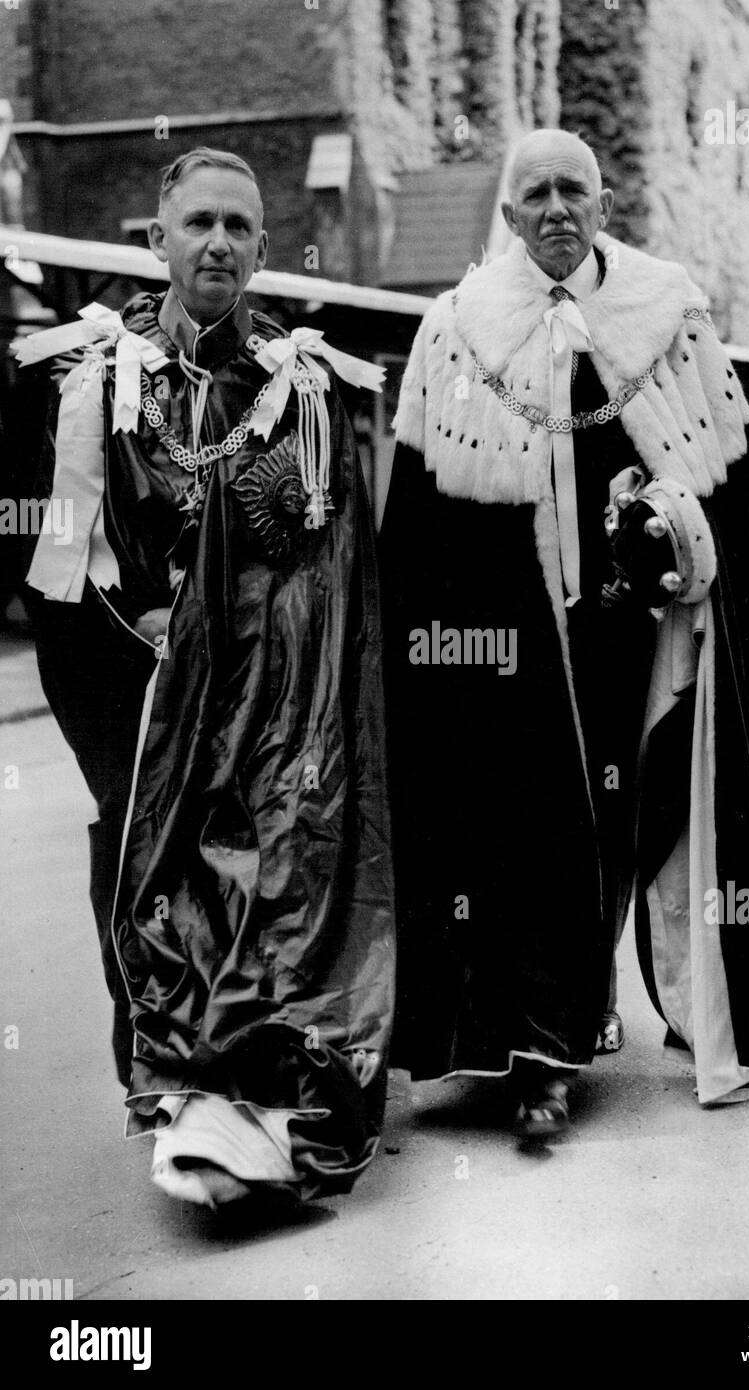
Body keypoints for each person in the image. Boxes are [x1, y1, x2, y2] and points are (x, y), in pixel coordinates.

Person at [379, 128, 749, 1140]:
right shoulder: (453, 329)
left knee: (661, 813)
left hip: (650, 626)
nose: (552, 210)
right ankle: (540, 1047)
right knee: (534, 827)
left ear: (604, 204)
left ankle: (717, 1004)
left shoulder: (666, 310)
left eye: (571, 191)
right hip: (513, 636)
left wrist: (694, 553)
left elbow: (729, 486)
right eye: (531, 193)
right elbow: (418, 521)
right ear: (506, 212)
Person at [18, 148, 395, 1207]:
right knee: (133, 859)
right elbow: (62, 548)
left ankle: (244, 1076)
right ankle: (158, 1072)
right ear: (158, 240)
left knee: (257, 864)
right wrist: (143, 638)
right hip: (128, 667)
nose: (218, 243)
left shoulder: (302, 386)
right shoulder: (91, 377)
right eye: (199, 224)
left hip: (263, 683)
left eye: (238, 226)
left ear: (264, 250)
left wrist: (260, 662)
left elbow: (328, 563)